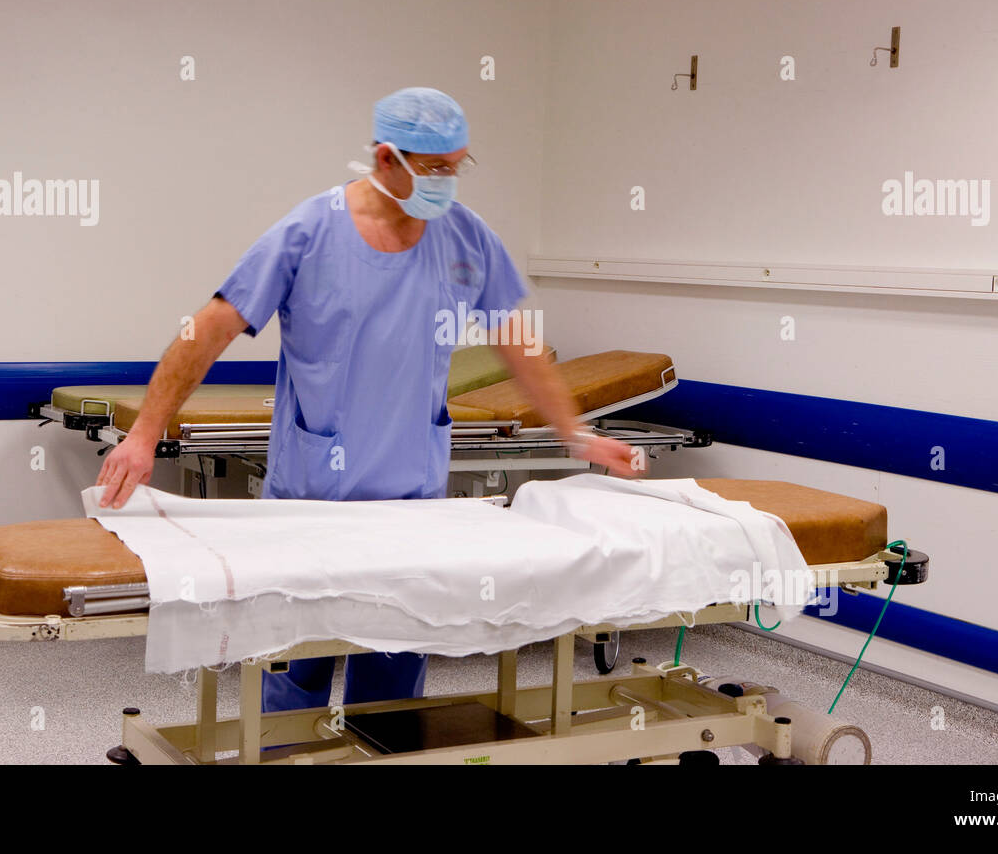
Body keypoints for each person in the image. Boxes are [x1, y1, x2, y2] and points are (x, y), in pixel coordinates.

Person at [96, 86, 639, 713]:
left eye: (458, 166)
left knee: (392, 692)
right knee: (293, 685)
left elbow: (518, 344)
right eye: (436, 168)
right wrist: (144, 435)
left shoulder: (465, 239)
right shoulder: (307, 233)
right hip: (308, 506)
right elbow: (206, 330)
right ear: (386, 158)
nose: (450, 182)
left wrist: (576, 433)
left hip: (413, 506)